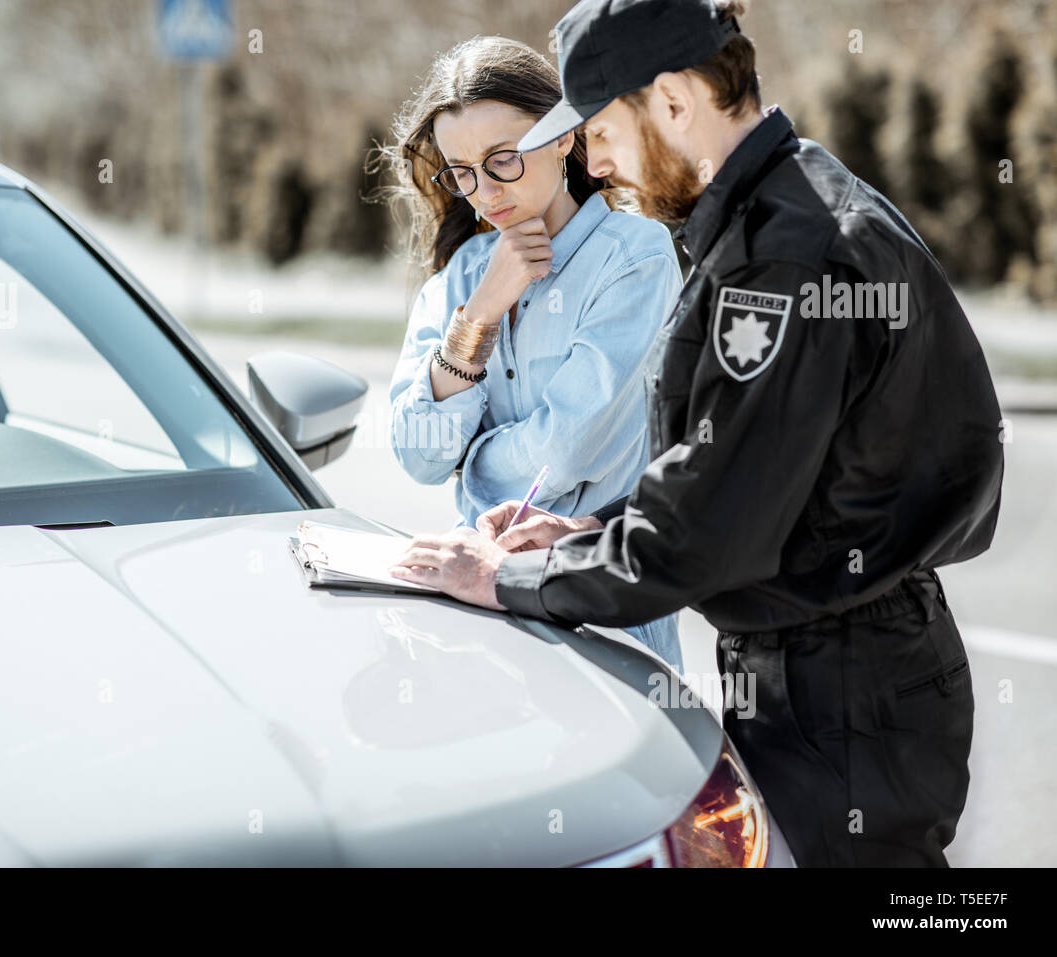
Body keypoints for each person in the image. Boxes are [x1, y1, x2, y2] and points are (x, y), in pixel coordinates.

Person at [388, 0, 1004, 868]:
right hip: (838, 678)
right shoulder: (785, 208)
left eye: (600, 129)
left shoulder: (785, 257)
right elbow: (739, 480)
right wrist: (592, 531)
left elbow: (699, 541)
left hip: (847, 696)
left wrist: (511, 577)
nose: (593, 159)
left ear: (673, 101)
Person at [380, 35, 684, 669]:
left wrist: (474, 465)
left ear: (564, 137)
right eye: (462, 173)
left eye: (503, 160)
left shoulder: (635, 258)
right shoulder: (462, 281)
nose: (485, 193)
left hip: (600, 612)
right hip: (477, 608)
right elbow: (417, 455)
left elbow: (566, 452)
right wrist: (480, 317)